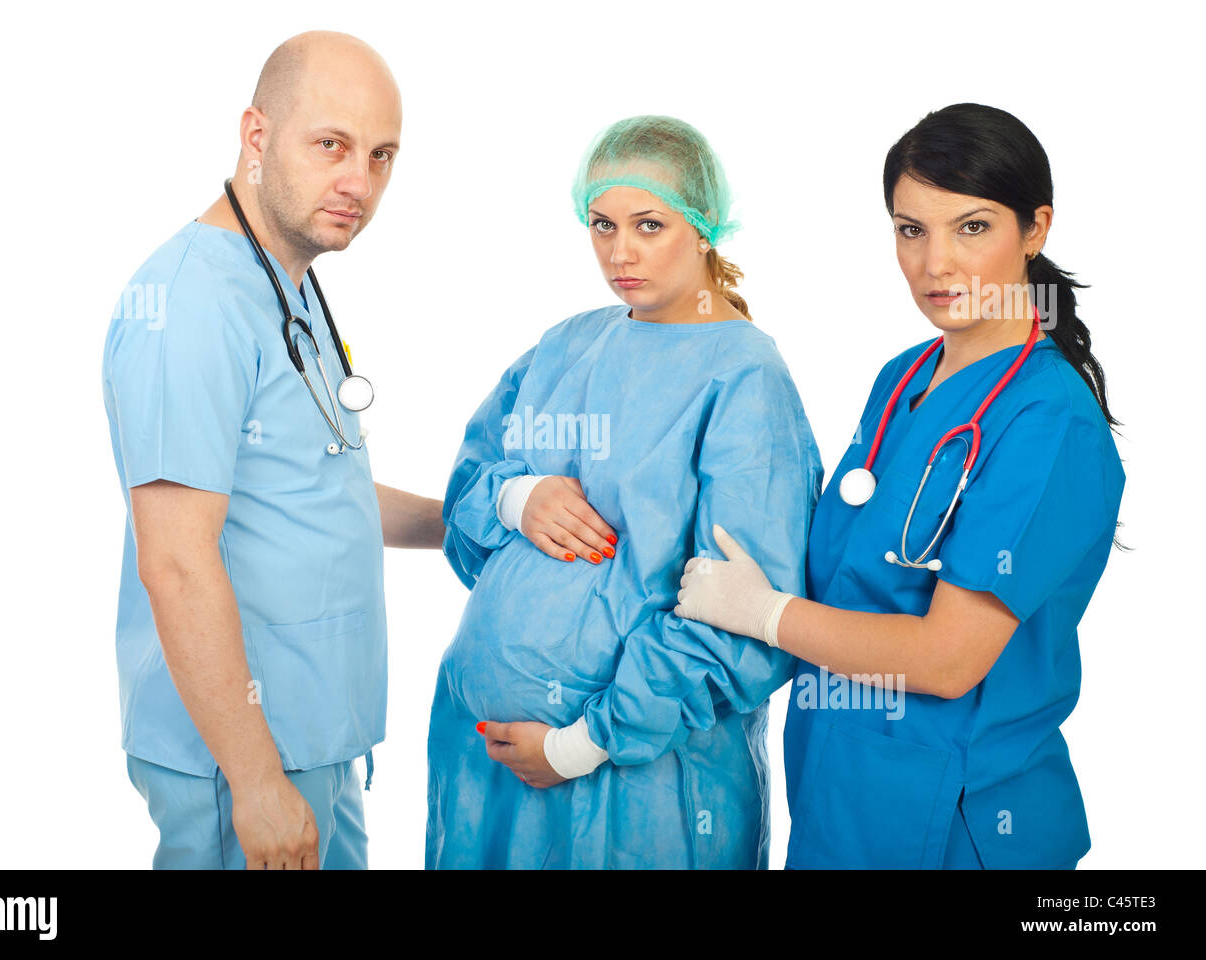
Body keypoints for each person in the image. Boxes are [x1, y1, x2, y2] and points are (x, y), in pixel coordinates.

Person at [675, 103, 1126, 869]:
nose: (935, 263)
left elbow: (950, 659)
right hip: (836, 803)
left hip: (960, 821)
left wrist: (768, 614)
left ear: (1037, 228)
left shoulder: (1050, 425)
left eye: (972, 227)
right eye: (910, 229)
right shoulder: (903, 378)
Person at [426, 116, 823, 869]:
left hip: (641, 784)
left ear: (705, 228)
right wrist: (519, 497)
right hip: (481, 763)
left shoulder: (744, 376)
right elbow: (468, 495)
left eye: (649, 224)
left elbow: (743, 611)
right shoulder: (566, 343)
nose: (620, 251)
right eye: (602, 224)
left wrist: (584, 742)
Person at [102, 31, 444, 870]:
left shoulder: (283, 283)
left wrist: (470, 520)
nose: (358, 183)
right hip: (240, 759)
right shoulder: (188, 306)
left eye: (382, 155)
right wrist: (254, 779)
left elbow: (314, 485)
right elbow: (175, 562)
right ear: (256, 136)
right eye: (330, 145)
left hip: (317, 737)